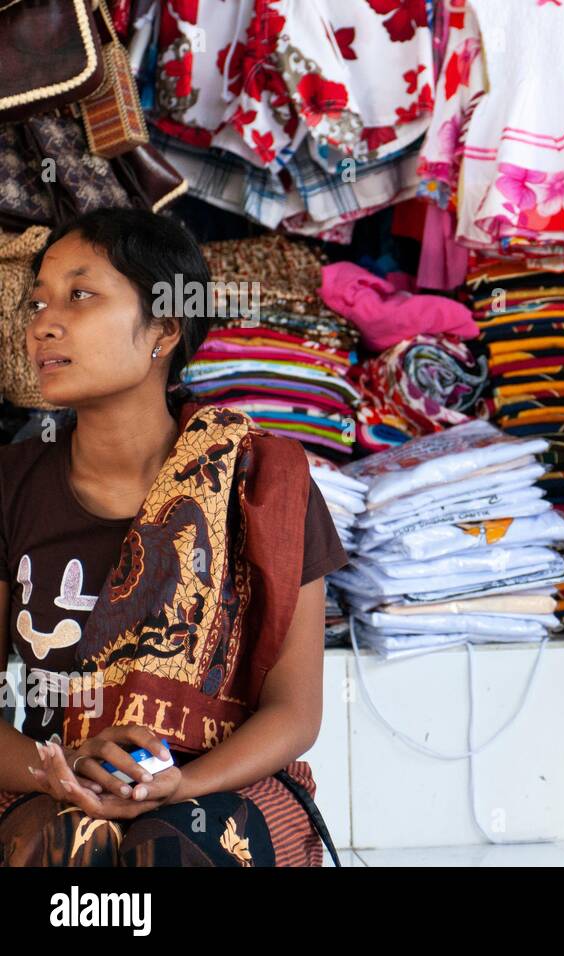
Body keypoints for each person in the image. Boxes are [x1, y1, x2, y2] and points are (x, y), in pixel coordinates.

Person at [0, 208, 349, 866]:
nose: (42, 322)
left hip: (224, 782)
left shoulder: (262, 486)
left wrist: (182, 782)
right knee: (78, 841)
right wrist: (61, 768)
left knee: (171, 846)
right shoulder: (10, 486)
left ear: (164, 326)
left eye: (80, 295)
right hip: (49, 781)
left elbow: (294, 712)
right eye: (37, 302)